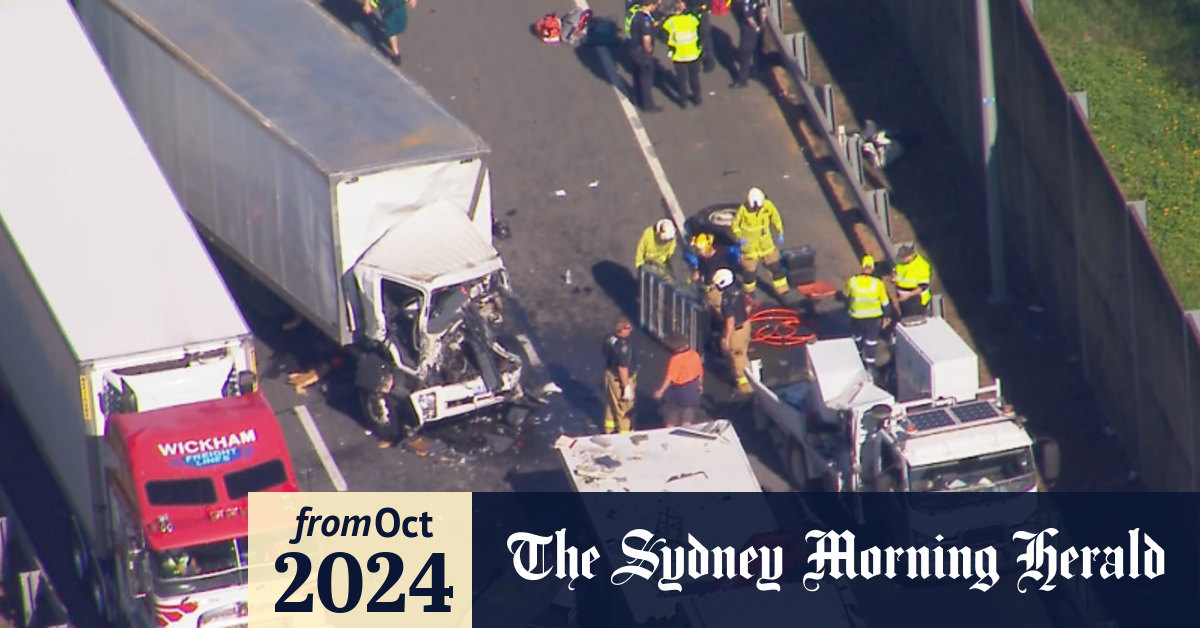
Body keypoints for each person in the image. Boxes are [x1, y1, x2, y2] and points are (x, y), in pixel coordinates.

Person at [732, 187, 789, 296]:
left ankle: (782, 291)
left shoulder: (768, 206)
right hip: (750, 246)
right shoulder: (743, 210)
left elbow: (775, 217)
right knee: (750, 274)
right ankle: (749, 294)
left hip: (765, 243)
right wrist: (739, 236)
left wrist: (780, 230)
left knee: (775, 267)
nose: (757, 209)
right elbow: (735, 224)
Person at [845, 255, 890, 372]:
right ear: (872, 268)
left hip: (856, 316)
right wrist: (887, 316)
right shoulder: (878, 284)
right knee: (871, 342)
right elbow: (885, 303)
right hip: (873, 318)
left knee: (858, 338)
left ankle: (857, 358)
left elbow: (846, 295)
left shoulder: (852, 281)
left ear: (862, 266)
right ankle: (869, 367)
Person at [715, 269, 754, 394]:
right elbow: (748, 306)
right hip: (746, 325)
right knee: (743, 353)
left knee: (737, 359)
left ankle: (744, 387)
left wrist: (726, 338)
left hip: (736, 331)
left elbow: (730, 320)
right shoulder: (739, 289)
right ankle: (751, 378)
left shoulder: (727, 298)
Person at [653, 332, 704, 427]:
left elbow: (670, 377)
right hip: (692, 391)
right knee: (687, 421)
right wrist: (700, 385)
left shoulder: (675, 359)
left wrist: (661, 390)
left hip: (677, 393)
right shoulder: (694, 355)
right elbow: (700, 372)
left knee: (671, 421)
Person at [685, 232, 740, 311]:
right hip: (711, 290)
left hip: (719, 293)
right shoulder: (704, 257)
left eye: (698, 250)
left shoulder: (719, 261)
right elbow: (702, 268)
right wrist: (697, 273)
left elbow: (718, 282)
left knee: (719, 312)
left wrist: (708, 287)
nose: (697, 252)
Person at [662, 1, 703, 107]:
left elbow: (663, 36)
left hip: (679, 56)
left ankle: (683, 100)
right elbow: (700, 29)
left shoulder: (670, 22)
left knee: (681, 79)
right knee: (694, 77)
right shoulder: (691, 19)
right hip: (693, 54)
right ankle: (697, 98)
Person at [602, 317, 638, 433]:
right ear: (620, 329)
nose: (630, 330)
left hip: (609, 375)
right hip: (620, 380)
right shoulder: (623, 347)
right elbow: (623, 368)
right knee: (624, 409)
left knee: (612, 404)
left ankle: (609, 430)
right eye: (627, 328)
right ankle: (624, 435)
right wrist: (626, 386)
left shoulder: (609, 339)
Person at [626, 0, 663, 112]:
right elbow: (646, 38)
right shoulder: (644, 20)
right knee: (646, 77)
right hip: (641, 52)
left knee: (637, 74)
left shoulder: (633, 11)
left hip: (631, 47)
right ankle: (647, 105)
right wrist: (648, 49)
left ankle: (636, 97)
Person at [364, 0, 416, 67]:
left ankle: (393, 41)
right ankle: (396, 54)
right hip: (387, 11)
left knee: (402, 26)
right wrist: (367, 4)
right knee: (391, 31)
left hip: (399, 6)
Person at [731, 0, 766, 88]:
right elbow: (763, 11)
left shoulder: (746, 2)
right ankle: (757, 72)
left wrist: (756, 27)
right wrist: (761, 25)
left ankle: (742, 80)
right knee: (757, 50)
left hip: (749, 30)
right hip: (759, 28)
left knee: (745, 53)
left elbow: (748, 18)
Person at [892, 243, 932, 318]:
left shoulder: (921, 265)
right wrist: (894, 278)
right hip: (903, 300)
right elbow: (896, 272)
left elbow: (923, 286)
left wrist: (908, 296)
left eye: (904, 258)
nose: (902, 260)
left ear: (910, 256)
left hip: (917, 300)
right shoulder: (900, 263)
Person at [686, 1, 716, 74]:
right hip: (691, 9)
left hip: (699, 9)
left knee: (704, 36)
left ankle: (708, 61)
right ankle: (700, 61)